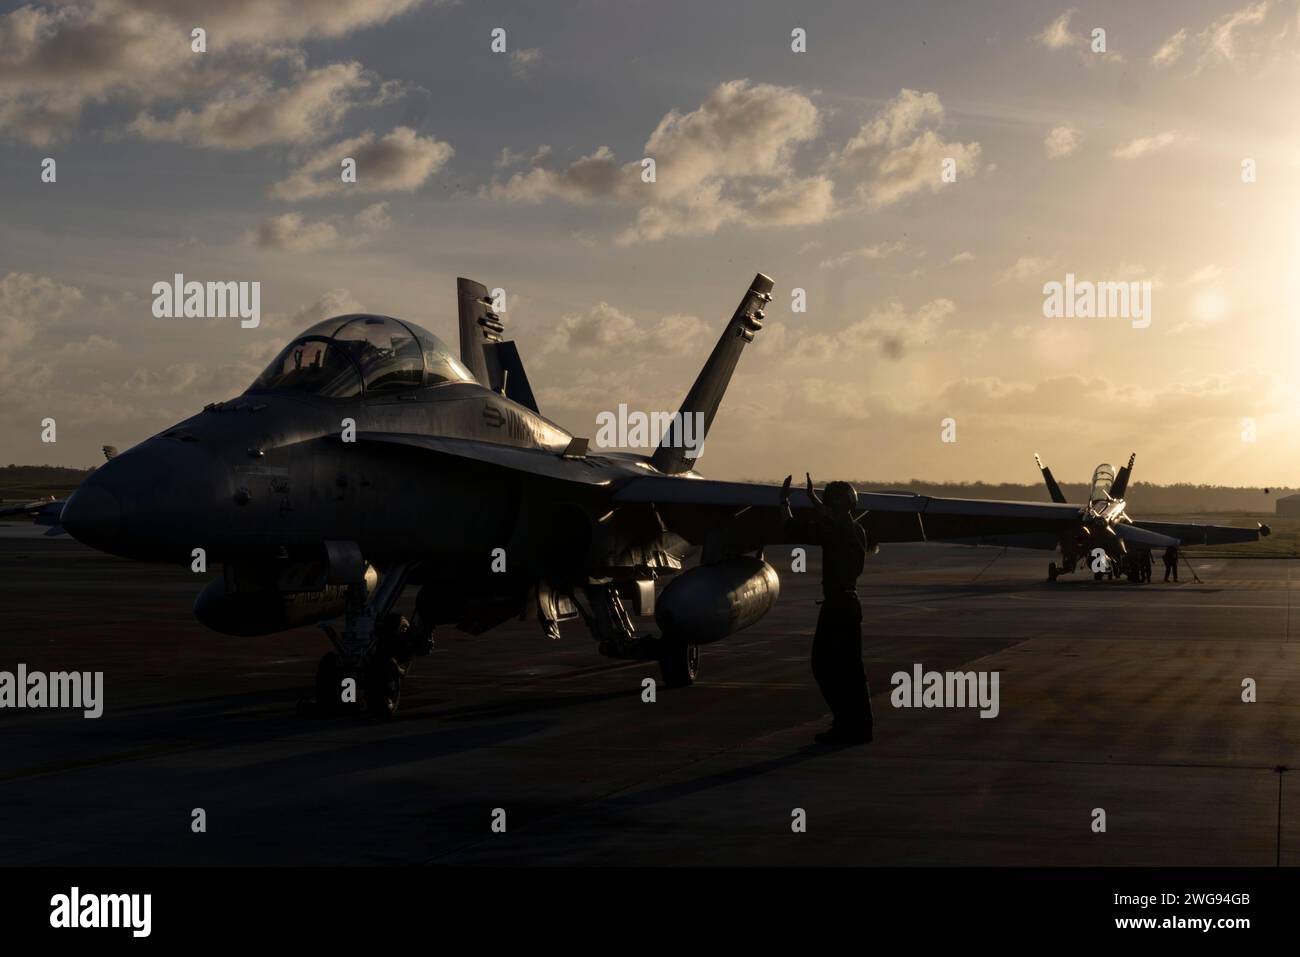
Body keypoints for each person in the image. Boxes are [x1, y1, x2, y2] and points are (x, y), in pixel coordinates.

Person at [781, 473, 873, 746]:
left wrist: (783, 502)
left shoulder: (834, 531)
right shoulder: (856, 530)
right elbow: (835, 519)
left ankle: (845, 724)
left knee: (823, 666)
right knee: (852, 669)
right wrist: (812, 498)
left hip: (837, 608)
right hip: (850, 604)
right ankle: (860, 727)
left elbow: (793, 530)